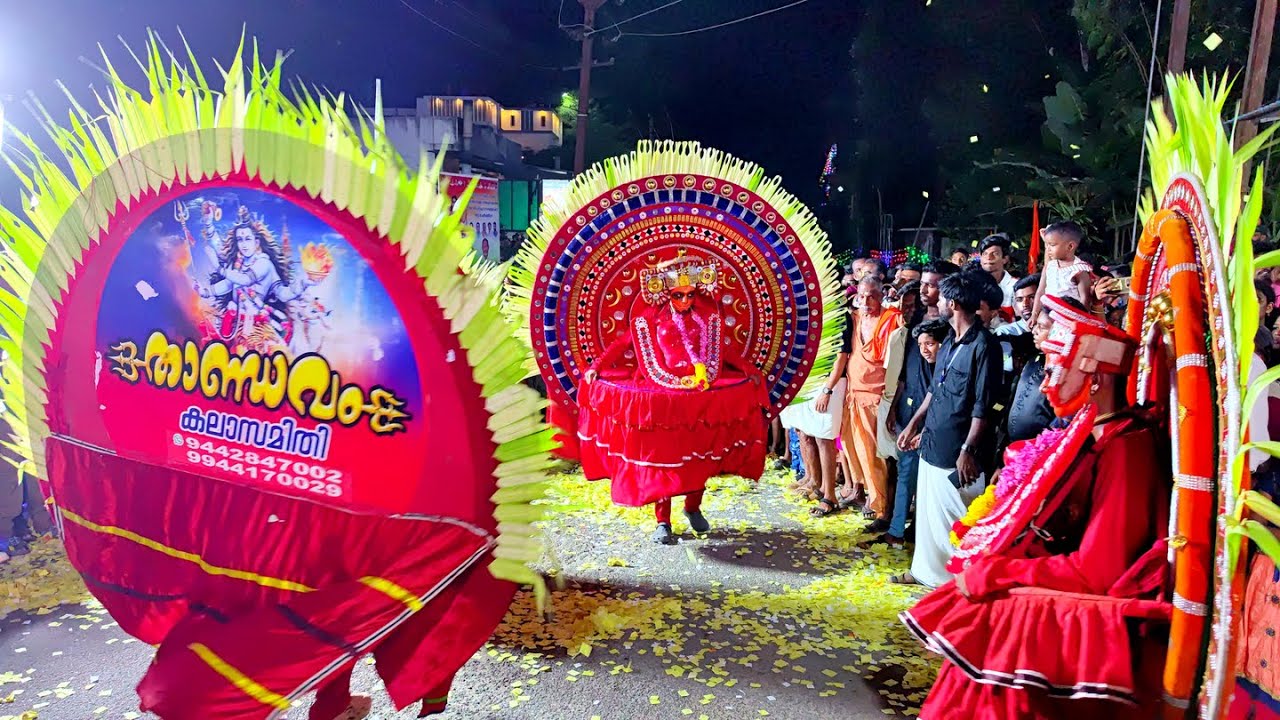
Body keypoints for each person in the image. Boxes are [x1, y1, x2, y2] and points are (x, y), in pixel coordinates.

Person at [901, 293, 1170, 719]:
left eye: (1055, 370)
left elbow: (1100, 569)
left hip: (1099, 604)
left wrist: (1003, 572)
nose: (1045, 384)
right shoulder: (1091, 430)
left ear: (1094, 379)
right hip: (1059, 576)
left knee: (993, 621)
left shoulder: (1124, 449)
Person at [582, 252, 766, 544]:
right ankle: (662, 521)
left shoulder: (707, 319)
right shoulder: (649, 320)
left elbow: (724, 352)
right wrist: (596, 367)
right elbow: (622, 344)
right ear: (667, 293)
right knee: (663, 459)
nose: (685, 300)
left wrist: (749, 369)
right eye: (679, 294)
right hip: (662, 396)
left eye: (691, 294)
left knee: (698, 457)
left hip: (698, 396)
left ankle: (693, 508)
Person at [893, 272, 1002, 586]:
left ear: (952, 304)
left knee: (955, 520)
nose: (936, 302)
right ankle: (925, 572)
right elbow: (934, 390)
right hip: (933, 441)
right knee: (928, 517)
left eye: (940, 297)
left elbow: (983, 404)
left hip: (958, 449)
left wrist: (967, 450)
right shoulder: (952, 341)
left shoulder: (984, 345)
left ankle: (954, 583)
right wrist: (914, 424)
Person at [875, 319, 949, 546]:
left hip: (939, 433)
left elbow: (942, 400)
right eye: (921, 345)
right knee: (905, 476)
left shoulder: (949, 363)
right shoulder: (917, 354)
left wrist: (923, 430)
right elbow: (905, 381)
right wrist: (896, 413)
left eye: (930, 344)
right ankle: (896, 531)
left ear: (942, 344)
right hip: (911, 420)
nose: (925, 349)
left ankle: (918, 535)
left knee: (927, 486)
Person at [838, 278, 905, 523]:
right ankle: (865, 492)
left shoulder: (892, 320)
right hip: (853, 394)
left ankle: (880, 505)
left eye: (872, 296)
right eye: (862, 296)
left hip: (877, 397)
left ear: (881, 295)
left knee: (876, 454)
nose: (866, 302)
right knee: (853, 449)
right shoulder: (853, 318)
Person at [780, 304, 852, 517]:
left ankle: (830, 497)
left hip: (830, 384)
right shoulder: (805, 313)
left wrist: (827, 390)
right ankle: (815, 482)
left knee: (824, 439)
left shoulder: (839, 314)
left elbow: (841, 356)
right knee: (805, 434)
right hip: (806, 380)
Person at [1033, 220, 1093, 313]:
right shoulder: (1050, 266)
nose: (1048, 249)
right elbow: (1040, 291)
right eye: (1047, 244)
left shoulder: (1079, 270)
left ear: (1070, 246)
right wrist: (1034, 314)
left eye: (1052, 245)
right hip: (1048, 315)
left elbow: (1085, 300)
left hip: (1069, 317)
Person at [978, 233, 1017, 313]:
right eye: (985, 254)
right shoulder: (973, 283)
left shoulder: (1015, 286)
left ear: (1005, 259)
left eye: (995, 254)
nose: (989, 257)